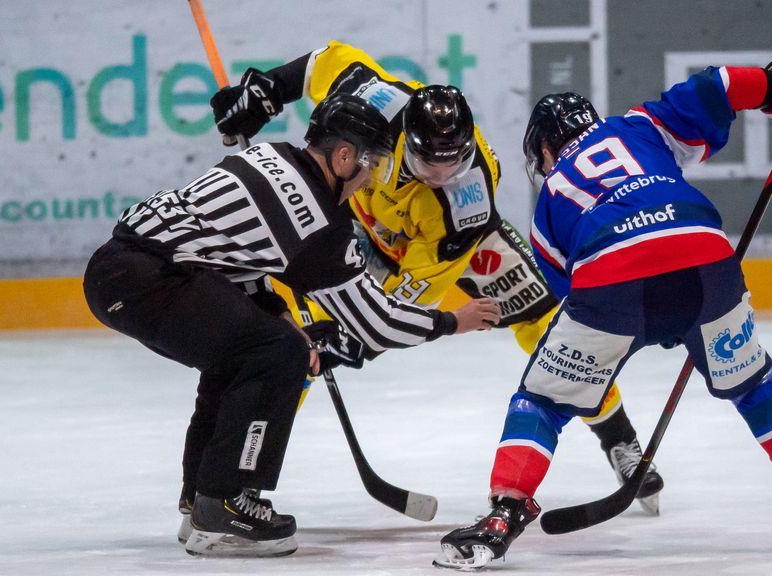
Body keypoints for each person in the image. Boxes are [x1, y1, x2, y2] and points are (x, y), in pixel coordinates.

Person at [207, 40, 665, 516]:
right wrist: (269, 90)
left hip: (458, 250)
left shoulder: (464, 204)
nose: (443, 173)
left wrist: (350, 340)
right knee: (295, 346)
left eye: (455, 162)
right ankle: (236, 479)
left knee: (550, 332)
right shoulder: (377, 102)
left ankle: (619, 439)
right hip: (363, 232)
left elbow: (401, 303)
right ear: (406, 139)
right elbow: (325, 61)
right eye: (431, 164)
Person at [433, 57, 772, 570]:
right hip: (704, 257)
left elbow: (569, 292)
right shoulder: (638, 128)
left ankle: (505, 513)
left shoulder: (552, 195)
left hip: (612, 278)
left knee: (543, 399)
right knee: (753, 380)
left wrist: (610, 346)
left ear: (543, 148)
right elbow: (718, 85)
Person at [82, 93, 500, 557]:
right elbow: (375, 324)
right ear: (343, 157)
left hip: (121, 270)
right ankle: (225, 500)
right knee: (279, 352)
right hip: (152, 281)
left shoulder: (270, 154)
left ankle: (201, 500)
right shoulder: (322, 224)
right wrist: (450, 321)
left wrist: (278, 313)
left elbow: (234, 255)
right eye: (371, 163)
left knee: (242, 355)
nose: (370, 178)